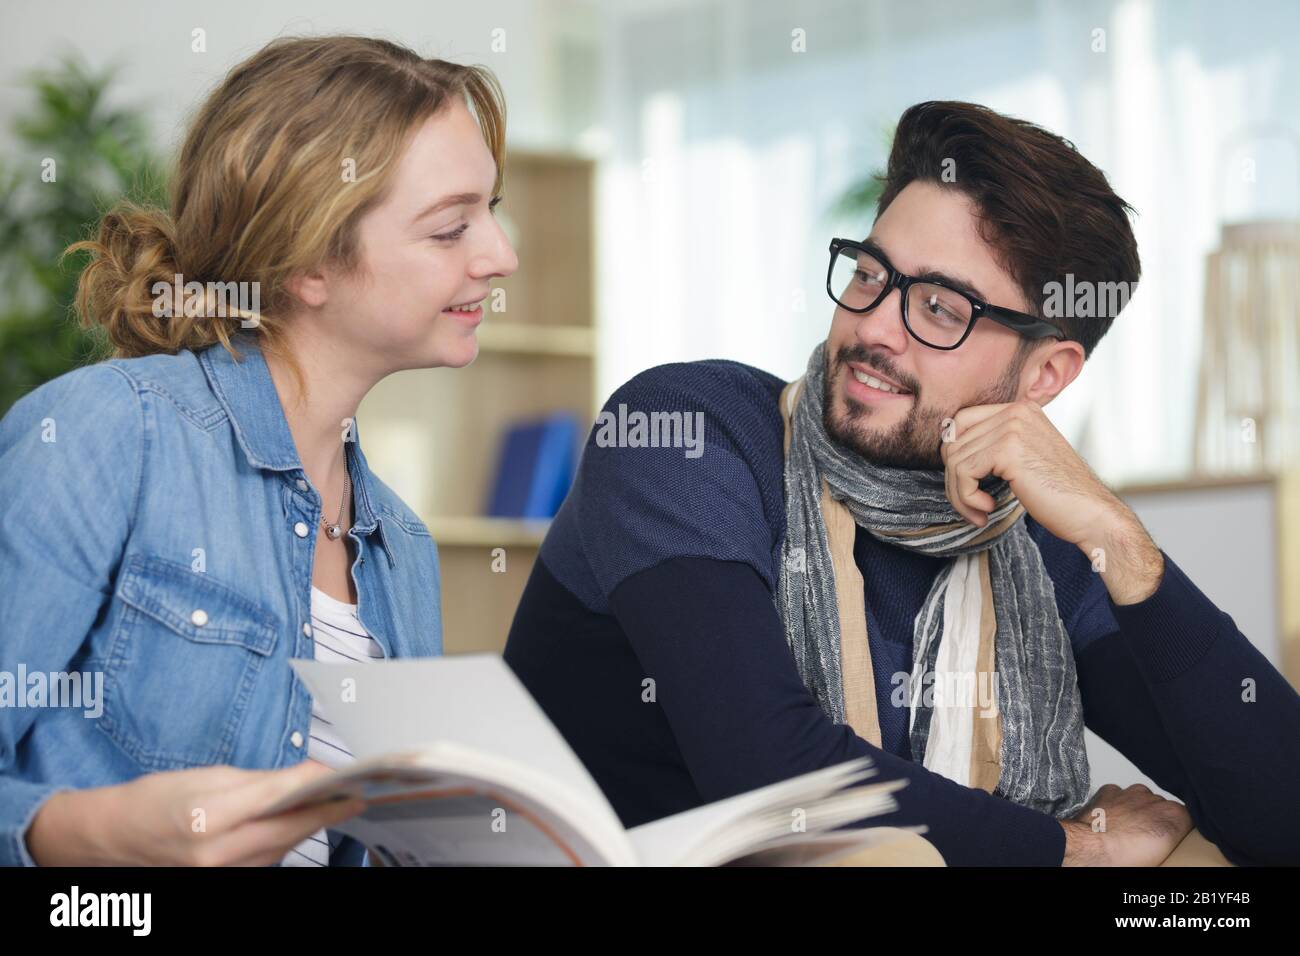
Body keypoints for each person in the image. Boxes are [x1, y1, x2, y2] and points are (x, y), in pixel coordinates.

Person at [504, 100, 1300, 866]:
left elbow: (1281, 814)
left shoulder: (1030, 547)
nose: (875, 328)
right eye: (870, 274)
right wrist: (1076, 850)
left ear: (1045, 373)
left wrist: (1120, 543)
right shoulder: (686, 433)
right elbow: (769, 772)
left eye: (941, 308)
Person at [0, 35, 517, 866]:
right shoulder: (107, 436)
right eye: (451, 227)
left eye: (491, 212)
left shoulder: (404, 548)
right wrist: (87, 835)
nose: (500, 257)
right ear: (310, 261)